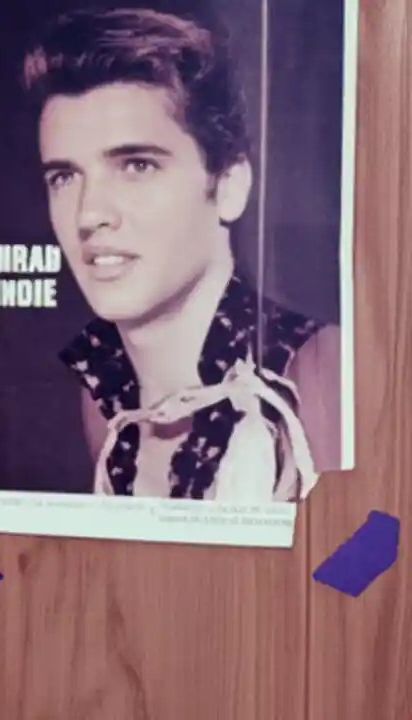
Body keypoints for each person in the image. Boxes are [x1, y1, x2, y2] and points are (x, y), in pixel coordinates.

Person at [21, 8, 343, 502]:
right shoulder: (100, 396)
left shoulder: (325, 374)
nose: (89, 215)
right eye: (65, 177)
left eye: (136, 165)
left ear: (230, 184)